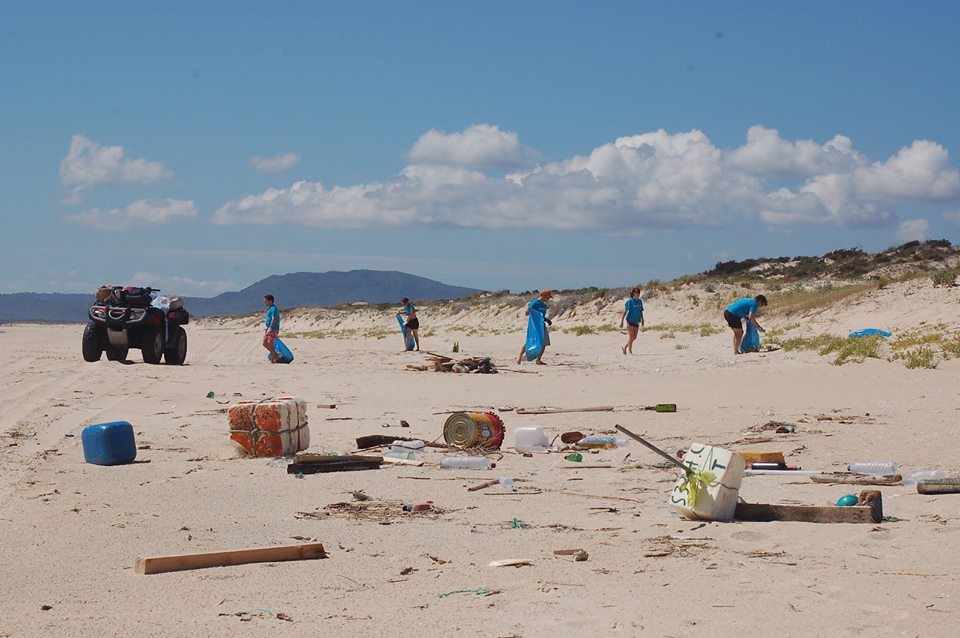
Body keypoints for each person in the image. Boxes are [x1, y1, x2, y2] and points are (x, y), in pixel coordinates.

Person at [517, 289, 553, 365]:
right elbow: (527, 313)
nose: (549, 299)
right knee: (530, 341)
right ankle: (520, 357)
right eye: (548, 297)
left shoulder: (544, 305)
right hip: (534, 326)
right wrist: (529, 312)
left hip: (542, 326)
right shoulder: (535, 302)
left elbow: (541, 316)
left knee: (544, 343)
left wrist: (547, 320)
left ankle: (538, 360)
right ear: (543, 295)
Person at [619, 288, 644, 354]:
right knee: (631, 336)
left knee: (634, 337)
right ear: (633, 293)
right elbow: (625, 311)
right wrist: (622, 321)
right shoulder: (630, 301)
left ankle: (625, 348)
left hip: (637, 321)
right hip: (630, 320)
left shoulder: (640, 301)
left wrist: (642, 320)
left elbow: (641, 311)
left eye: (638, 293)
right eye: (636, 293)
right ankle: (630, 351)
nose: (637, 294)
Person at [263, 294, 281, 363]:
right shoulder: (270, 308)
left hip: (273, 329)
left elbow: (274, 318)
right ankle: (276, 355)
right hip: (269, 329)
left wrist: (270, 327)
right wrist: (267, 328)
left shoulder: (273, 308)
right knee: (264, 343)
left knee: (270, 343)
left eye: (266, 301)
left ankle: (273, 358)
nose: (265, 303)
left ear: (270, 301)